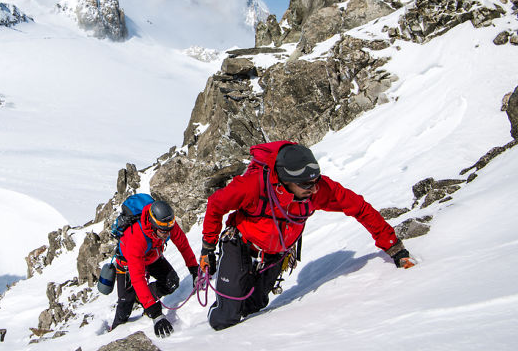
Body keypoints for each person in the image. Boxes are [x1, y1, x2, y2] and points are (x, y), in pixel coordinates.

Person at [199, 141, 415, 330]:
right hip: (241, 244)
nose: (313, 189)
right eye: (305, 184)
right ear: (285, 179)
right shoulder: (253, 185)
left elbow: (359, 207)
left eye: (314, 181)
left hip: (277, 252)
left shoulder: (317, 189)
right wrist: (208, 248)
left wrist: (393, 246)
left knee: (255, 305)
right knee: (226, 317)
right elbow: (216, 205)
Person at [112, 200, 199, 337]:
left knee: (171, 282)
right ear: (153, 225)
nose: (167, 234)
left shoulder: (167, 224)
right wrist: (156, 313)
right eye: (163, 231)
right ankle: (114, 333)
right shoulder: (137, 238)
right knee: (125, 305)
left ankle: (142, 297)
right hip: (128, 263)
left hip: (152, 256)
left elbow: (182, 244)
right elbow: (137, 277)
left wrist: (194, 268)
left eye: (169, 230)